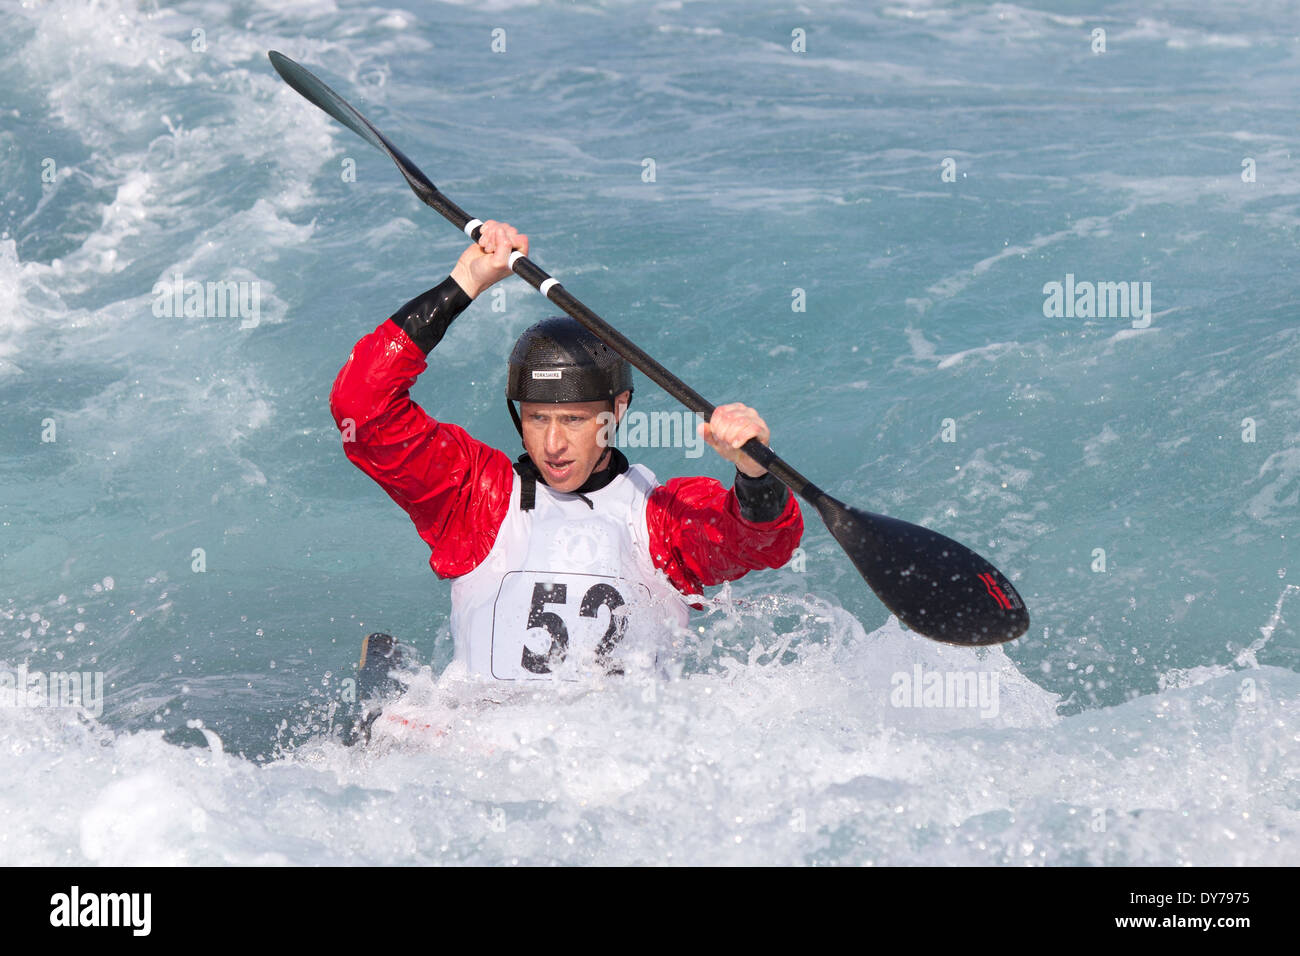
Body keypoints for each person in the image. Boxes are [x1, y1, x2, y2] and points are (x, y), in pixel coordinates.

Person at [330, 221, 802, 681]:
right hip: (479, 746)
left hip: (610, 754)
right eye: (537, 418)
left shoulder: (661, 521)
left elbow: (760, 542)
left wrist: (754, 474)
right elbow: (361, 407)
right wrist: (464, 283)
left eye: (573, 420)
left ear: (617, 410)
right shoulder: (476, 499)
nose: (552, 445)